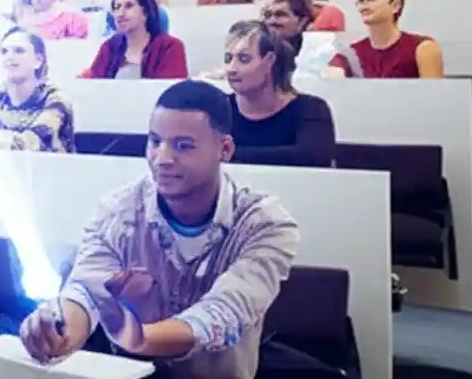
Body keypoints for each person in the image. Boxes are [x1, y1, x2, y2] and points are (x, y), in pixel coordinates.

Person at [20, 80, 299, 378]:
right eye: (155, 141)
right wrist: (60, 331)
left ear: (225, 148)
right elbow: (88, 290)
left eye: (183, 146)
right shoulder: (118, 211)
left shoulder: (264, 224)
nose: (162, 158)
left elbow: (224, 313)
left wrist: (138, 338)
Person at [223, 21, 336, 167]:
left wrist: (228, 154)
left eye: (244, 59)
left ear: (270, 61)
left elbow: (312, 157)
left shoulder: (311, 108)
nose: (231, 69)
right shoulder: (217, 109)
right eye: (228, 59)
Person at [0, 28, 75, 152]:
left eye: (19, 51)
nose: (9, 57)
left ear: (38, 61)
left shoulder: (56, 101)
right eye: (4, 51)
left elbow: (37, 141)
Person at [328, 0, 444, 78]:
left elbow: (434, 97)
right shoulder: (350, 54)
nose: (364, 5)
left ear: (395, 5)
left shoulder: (423, 47)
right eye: (361, 0)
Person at [81, 0, 187, 80]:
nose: (120, 14)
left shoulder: (170, 47)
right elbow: (94, 84)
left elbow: (173, 94)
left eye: (129, 6)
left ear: (145, 13)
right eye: (117, 8)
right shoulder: (109, 47)